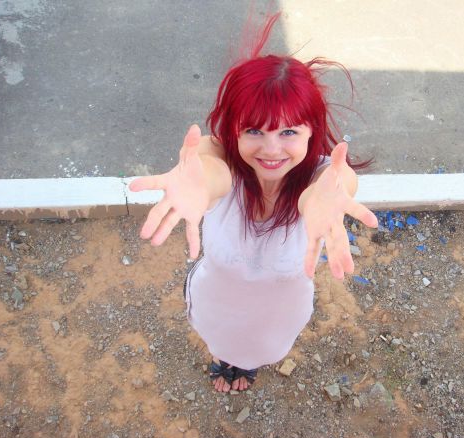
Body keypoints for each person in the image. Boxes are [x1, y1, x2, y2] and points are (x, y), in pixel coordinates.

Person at [129, 13, 378, 393]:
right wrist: (198, 179)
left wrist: (330, 192)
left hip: (278, 314)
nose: (271, 149)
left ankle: (246, 366)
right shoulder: (225, 163)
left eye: (289, 131)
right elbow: (211, 167)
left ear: (311, 131)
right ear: (234, 130)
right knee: (219, 343)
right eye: (254, 130)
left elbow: (334, 183)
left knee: (257, 352)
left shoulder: (320, 179)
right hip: (217, 302)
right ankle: (223, 360)